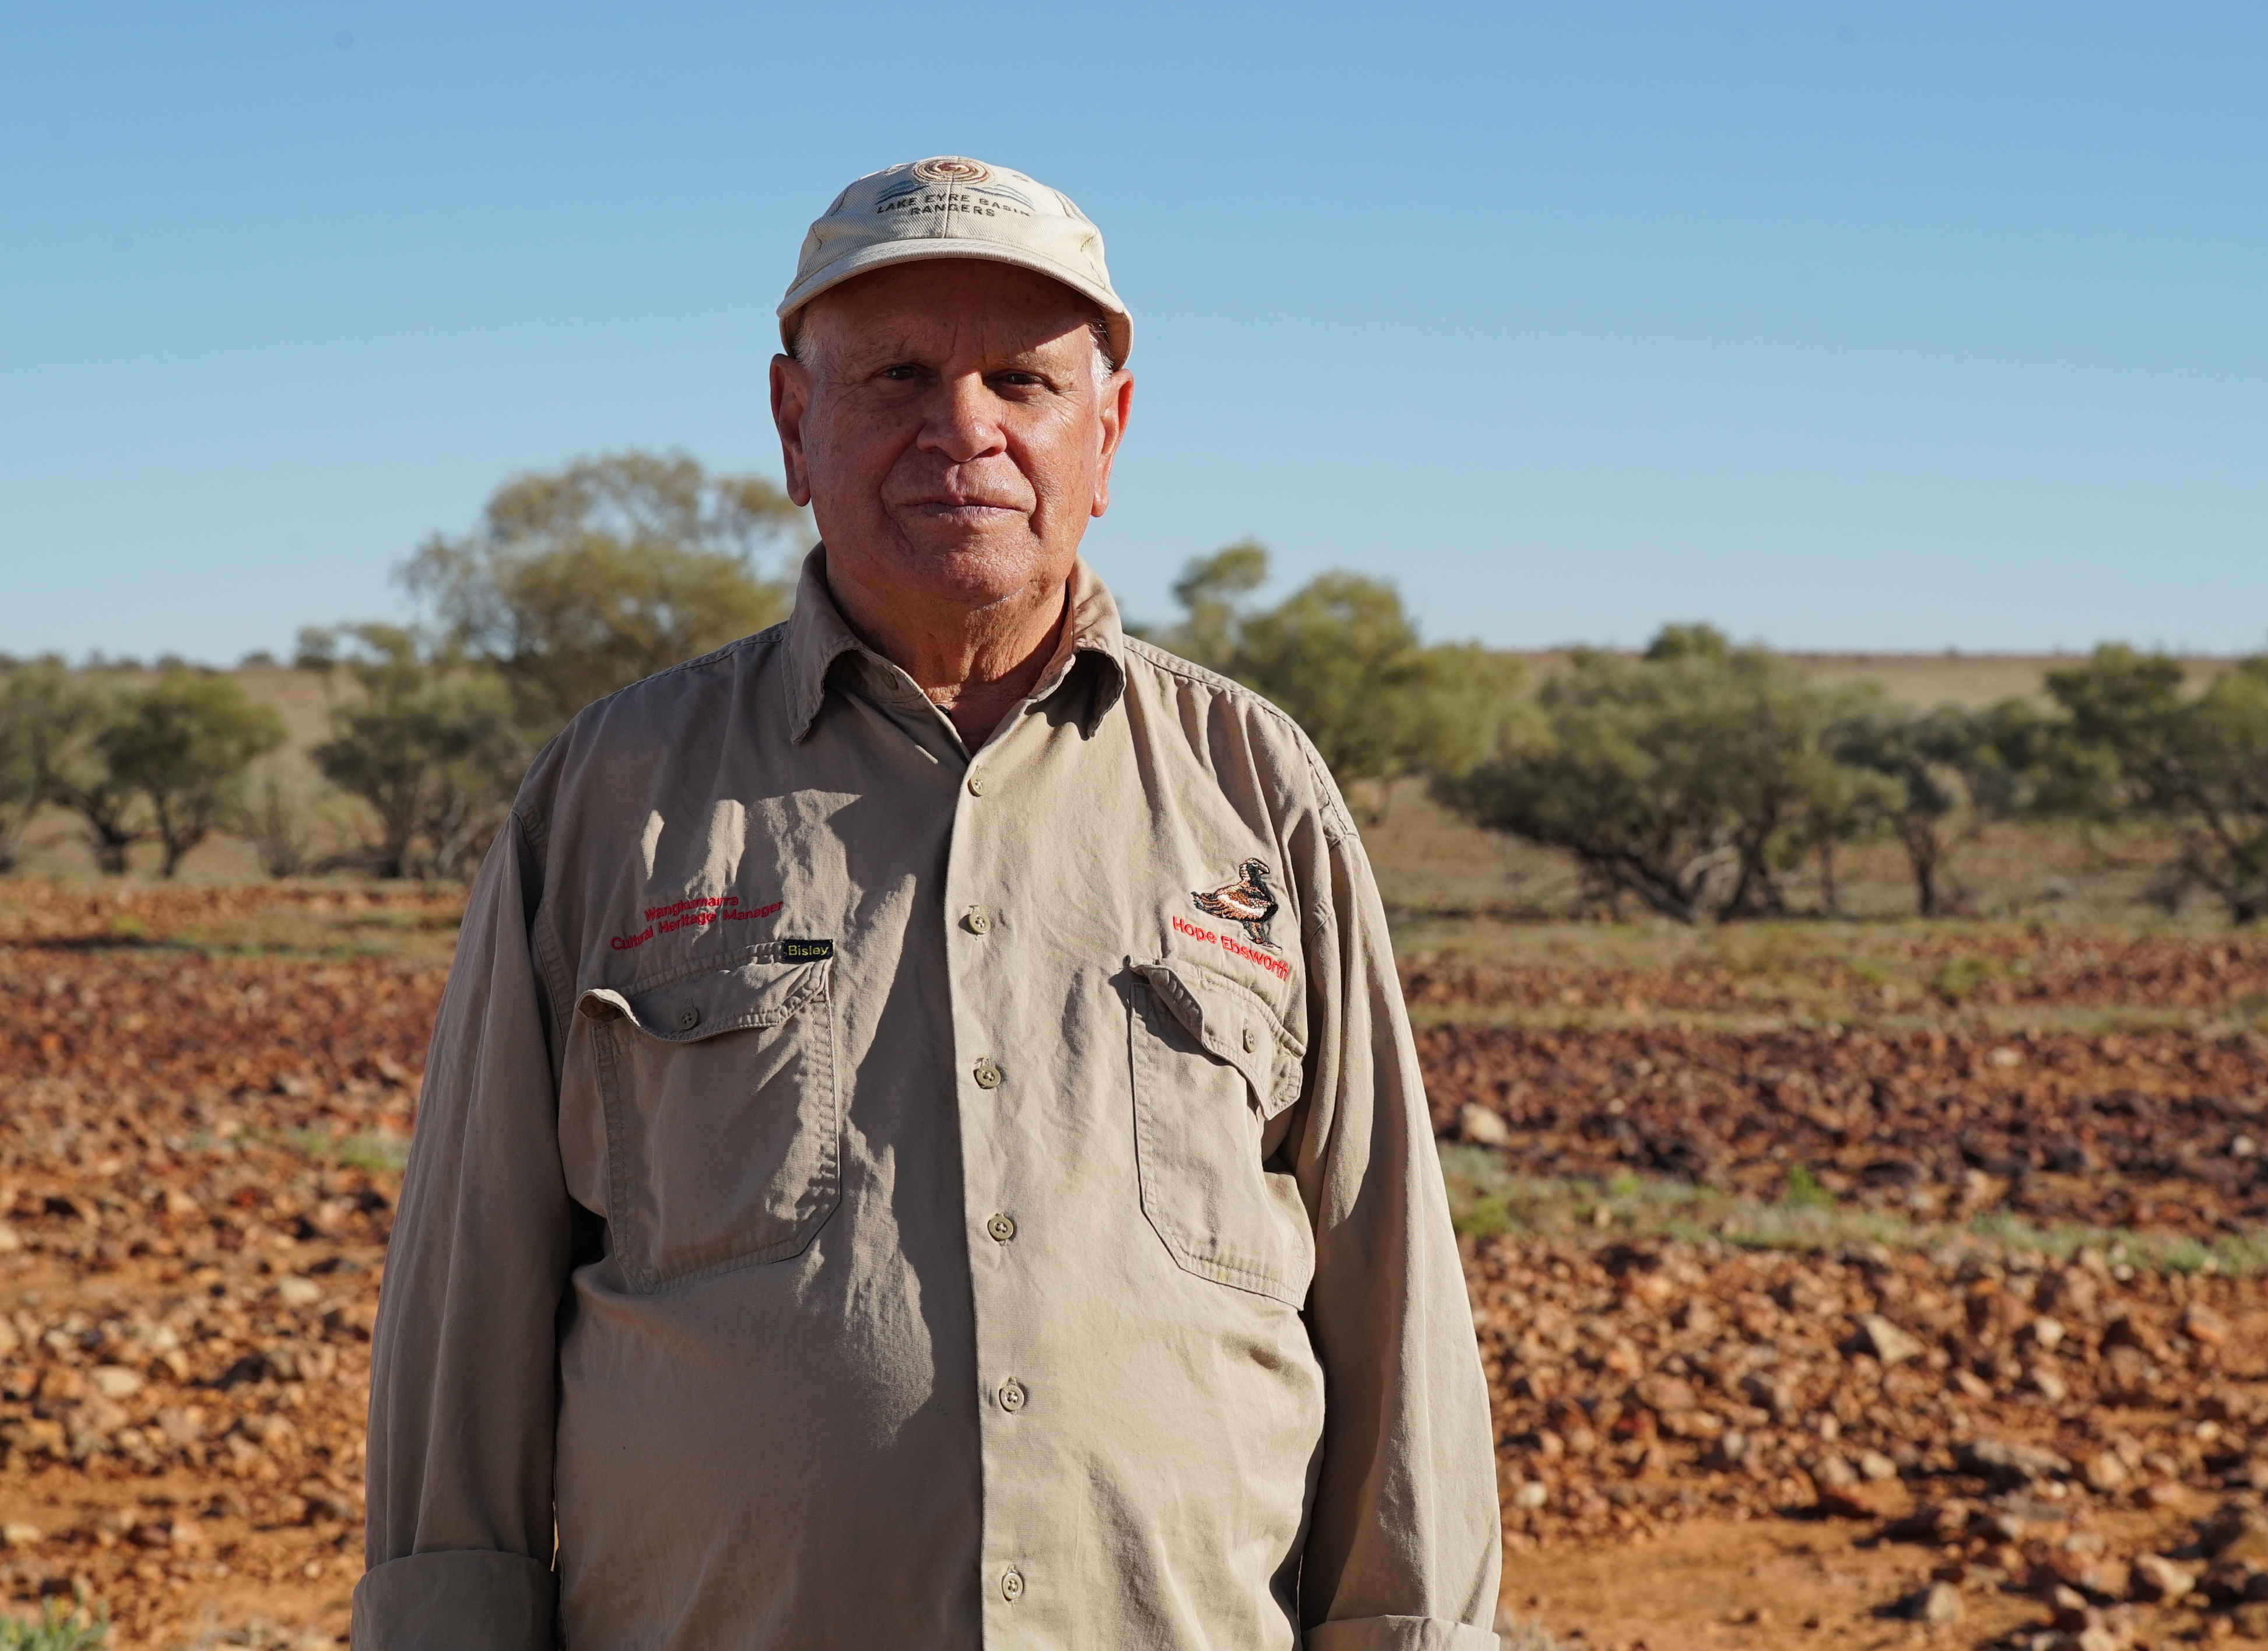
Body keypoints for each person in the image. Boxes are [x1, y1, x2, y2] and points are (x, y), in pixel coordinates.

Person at [353, 155, 1501, 1651]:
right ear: (792, 424)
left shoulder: (1254, 791)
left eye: (1021, 381)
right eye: (895, 373)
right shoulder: (613, 792)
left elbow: (1388, 1289)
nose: (962, 428)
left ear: (1109, 434)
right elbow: (471, 1293)